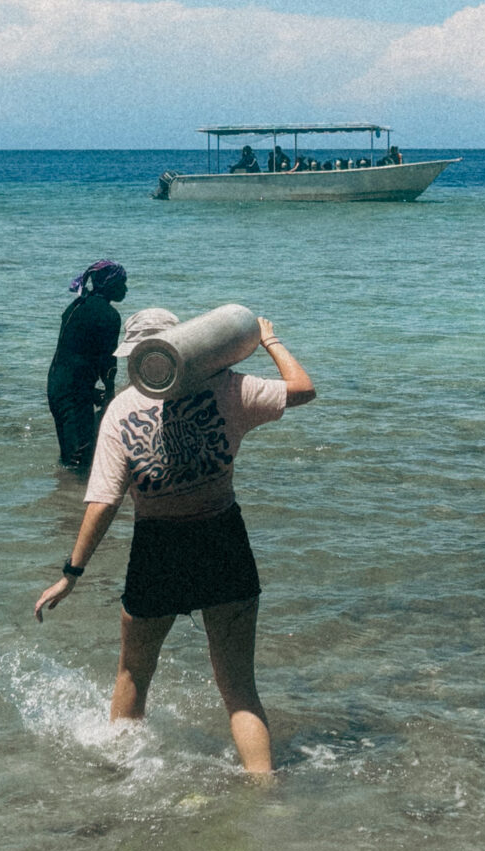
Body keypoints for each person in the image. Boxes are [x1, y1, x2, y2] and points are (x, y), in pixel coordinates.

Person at [33, 307, 316, 776]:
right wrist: (269, 340)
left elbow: (103, 502)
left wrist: (72, 574)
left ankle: (123, 779)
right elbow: (303, 389)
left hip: (157, 549)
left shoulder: (122, 410)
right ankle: (266, 796)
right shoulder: (229, 388)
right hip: (223, 538)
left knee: (133, 674)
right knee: (239, 690)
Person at [46, 261, 126, 472]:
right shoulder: (108, 316)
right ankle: (72, 497)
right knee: (80, 458)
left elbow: (75, 355)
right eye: (123, 283)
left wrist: (90, 393)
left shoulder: (77, 305)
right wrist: (109, 391)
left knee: (69, 453)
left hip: (57, 384)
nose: (126, 289)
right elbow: (108, 361)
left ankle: (64, 492)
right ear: (110, 285)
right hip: (73, 389)